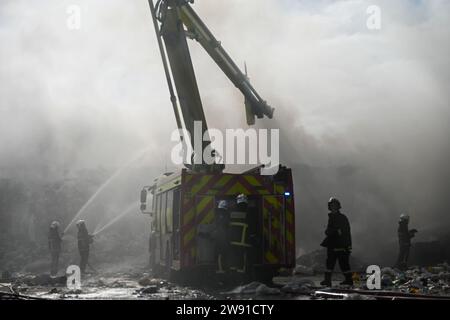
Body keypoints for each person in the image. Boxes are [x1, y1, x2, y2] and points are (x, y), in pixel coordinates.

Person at [320, 197, 353, 287]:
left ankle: (349, 280)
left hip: (340, 245)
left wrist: (348, 246)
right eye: (331, 206)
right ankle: (327, 281)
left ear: (338, 207)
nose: (333, 207)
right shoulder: (332, 217)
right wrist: (329, 231)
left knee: (344, 264)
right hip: (333, 245)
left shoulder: (342, 218)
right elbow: (331, 231)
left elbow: (345, 232)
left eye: (335, 205)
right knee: (330, 263)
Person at [213, 200, 230, 274]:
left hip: (220, 240)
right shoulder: (227, 214)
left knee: (219, 254)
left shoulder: (219, 214)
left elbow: (218, 228)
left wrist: (207, 235)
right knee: (223, 254)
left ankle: (220, 270)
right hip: (225, 239)